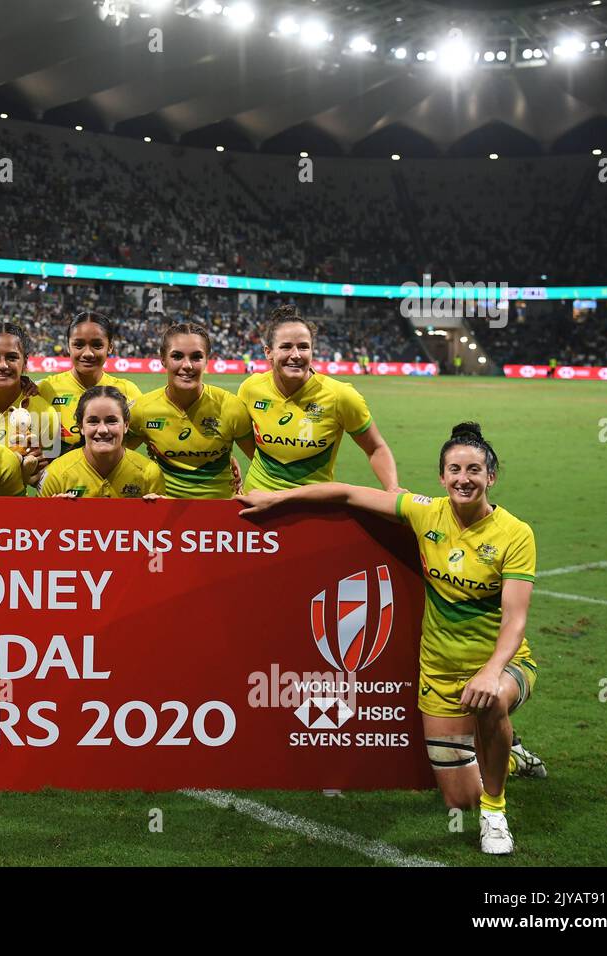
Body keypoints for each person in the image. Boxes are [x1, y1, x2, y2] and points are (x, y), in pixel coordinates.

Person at [236, 424, 538, 855]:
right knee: (459, 799)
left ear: (490, 477)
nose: (463, 479)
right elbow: (345, 493)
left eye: (474, 470)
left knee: (489, 706)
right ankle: (510, 753)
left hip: (503, 666)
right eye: (454, 469)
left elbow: (515, 617)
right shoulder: (425, 512)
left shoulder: (515, 533)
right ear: (442, 477)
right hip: (439, 672)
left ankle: (496, 812)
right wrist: (277, 498)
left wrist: (491, 672)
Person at [238, 306, 403, 494]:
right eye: (286, 347)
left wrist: (392, 488)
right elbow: (234, 434)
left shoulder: (340, 396)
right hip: (255, 503)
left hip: (312, 510)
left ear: (312, 350)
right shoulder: (251, 388)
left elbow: (375, 448)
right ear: (269, 352)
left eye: (303, 347)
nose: (296, 355)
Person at [127, 322, 252, 499]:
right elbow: (114, 459)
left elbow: (260, 461)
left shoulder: (231, 406)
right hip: (164, 513)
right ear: (163, 359)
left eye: (196, 357)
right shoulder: (142, 409)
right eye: (177, 356)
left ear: (207, 360)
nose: (187, 365)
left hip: (222, 516)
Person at [38, 311, 141, 454]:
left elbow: (139, 437)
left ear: (110, 347)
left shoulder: (128, 391)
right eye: (78, 345)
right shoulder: (44, 389)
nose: (88, 353)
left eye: (97, 345)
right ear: (68, 346)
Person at [42, 386, 165, 499]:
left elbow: (158, 522)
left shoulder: (149, 474)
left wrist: (158, 512)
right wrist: (53, 515)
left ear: (126, 425)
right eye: (93, 421)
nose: (103, 430)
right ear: (81, 427)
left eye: (111, 421)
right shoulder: (56, 474)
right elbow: (37, 521)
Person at [0, 321, 61, 484]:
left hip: (16, 507)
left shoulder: (46, 413)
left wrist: (35, 472)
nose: (2, 365)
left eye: (12, 357)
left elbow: (47, 481)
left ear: (25, 362)